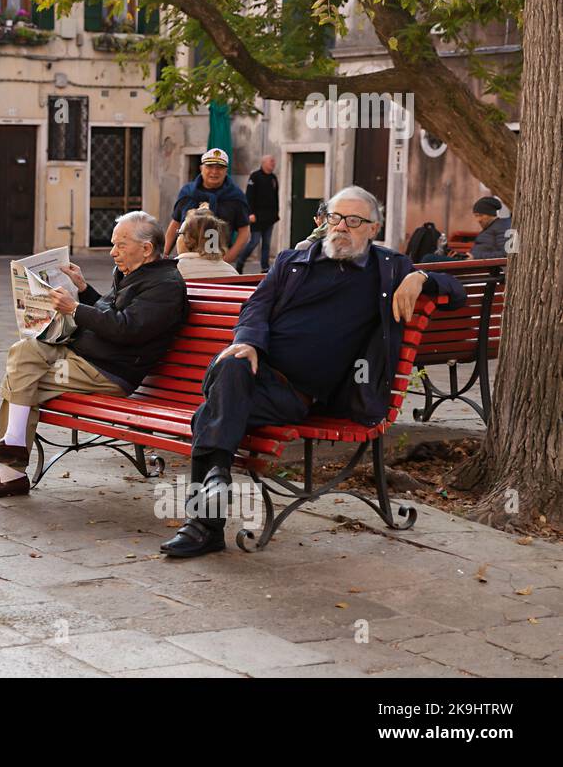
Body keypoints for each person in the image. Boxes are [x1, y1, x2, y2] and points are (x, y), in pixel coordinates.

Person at [159, 186, 467, 558]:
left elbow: (456, 290)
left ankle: (206, 516)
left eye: (354, 221)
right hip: (253, 373)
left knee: (210, 412)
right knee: (233, 363)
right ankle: (216, 481)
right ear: (323, 220)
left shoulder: (387, 269)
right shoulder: (292, 262)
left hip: (294, 395)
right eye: (335, 218)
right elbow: (255, 308)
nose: (342, 227)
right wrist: (252, 342)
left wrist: (422, 279)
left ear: (373, 228)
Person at [0, 212, 188, 498]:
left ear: (146, 249)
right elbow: (111, 313)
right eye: (113, 244)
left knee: (22, 380)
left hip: (109, 372)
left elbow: (125, 329)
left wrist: (73, 308)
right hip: (88, 357)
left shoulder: (165, 286)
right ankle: (12, 451)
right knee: (23, 353)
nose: (113, 252)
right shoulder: (134, 273)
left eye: (121, 245)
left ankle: (11, 470)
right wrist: (84, 290)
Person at [164, 148, 250, 266]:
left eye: (219, 168)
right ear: (201, 168)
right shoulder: (187, 193)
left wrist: (228, 259)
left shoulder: (236, 197)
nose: (214, 172)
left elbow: (244, 231)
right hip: (187, 261)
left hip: (219, 261)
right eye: (209, 166)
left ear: (226, 170)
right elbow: (175, 224)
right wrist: (164, 255)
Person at [421, 196, 512, 262]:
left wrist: (475, 257)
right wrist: (461, 255)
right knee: (429, 256)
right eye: (476, 216)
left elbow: (507, 254)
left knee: (428, 259)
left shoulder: (503, 226)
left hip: (478, 268)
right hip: (472, 264)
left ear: (492, 214)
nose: (478, 220)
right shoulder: (491, 227)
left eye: (481, 215)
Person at [235, 154, 279, 273]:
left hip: (269, 217)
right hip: (256, 216)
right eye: (271, 162)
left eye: (273, 162)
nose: (273, 164)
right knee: (254, 242)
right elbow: (248, 197)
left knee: (266, 243)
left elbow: (275, 197)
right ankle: (240, 262)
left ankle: (265, 267)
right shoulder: (255, 177)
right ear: (264, 163)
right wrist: (250, 213)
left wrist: (276, 213)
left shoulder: (273, 178)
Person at [174, 206, 240, 280]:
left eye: (179, 233)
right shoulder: (231, 272)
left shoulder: (175, 271)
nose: (178, 238)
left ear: (188, 239)